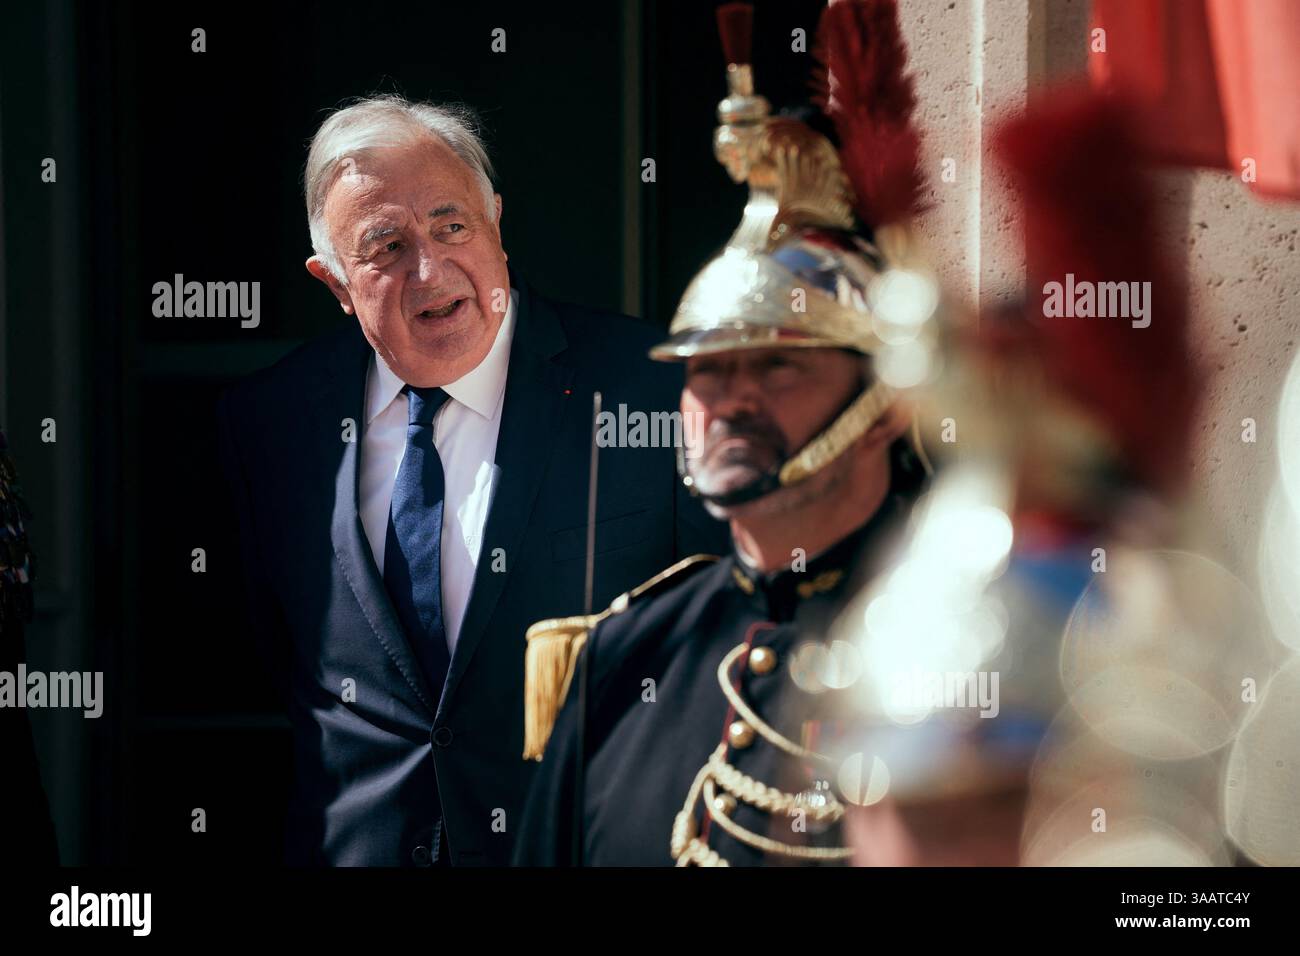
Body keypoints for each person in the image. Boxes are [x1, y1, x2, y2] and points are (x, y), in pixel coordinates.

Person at [216, 94, 723, 867]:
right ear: (335, 283)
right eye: (384, 246)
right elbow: (283, 665)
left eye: (453, 226)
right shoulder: (275, 422)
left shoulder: (652, 389)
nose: (430, 266)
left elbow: (722, 647)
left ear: (497, 222)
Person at [513, 0, 935, 866]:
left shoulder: (972, 635)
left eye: (777, 366)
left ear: (887, 401)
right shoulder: (628, 650)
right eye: (708, 370)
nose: (730, 398)